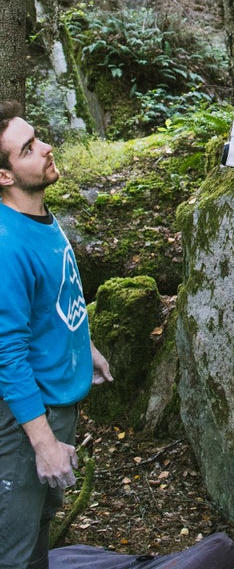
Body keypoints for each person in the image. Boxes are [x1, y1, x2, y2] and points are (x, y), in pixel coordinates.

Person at [0, 100, 113, 569]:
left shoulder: (39, 216)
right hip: (27, 416)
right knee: (15, 542)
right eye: (28, 148)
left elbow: (52, 301)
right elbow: (6, 352)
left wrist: (82, 346)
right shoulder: (7, 246)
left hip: (57, 399)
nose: (46, 148)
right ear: (5, 176)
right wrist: (43, 442)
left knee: (41, 517)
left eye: (38, 136)